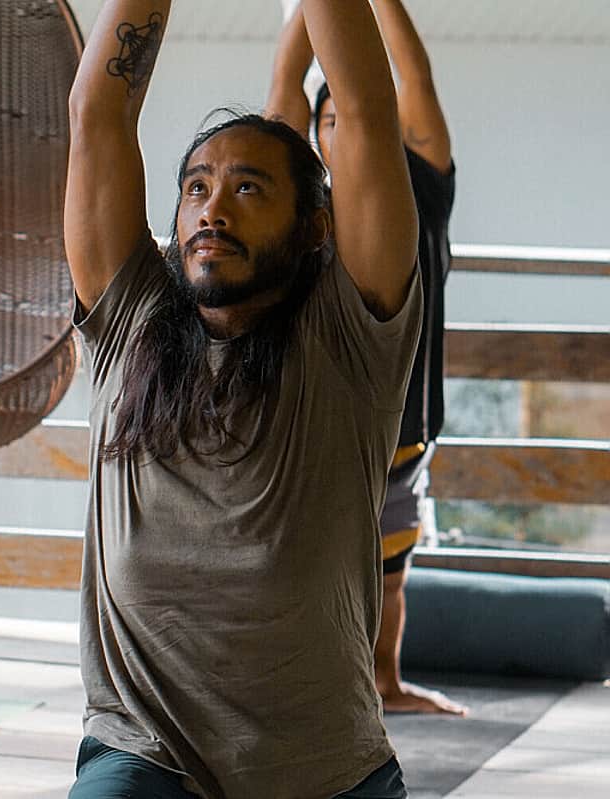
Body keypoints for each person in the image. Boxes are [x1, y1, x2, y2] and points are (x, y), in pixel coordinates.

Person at [63, 0, 422, 796]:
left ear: (316, 227)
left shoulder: (349, 338)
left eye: (249, 187)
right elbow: (97, 113)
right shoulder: (130, 323)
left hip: (325, 772)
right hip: (143, 750)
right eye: (196, 187)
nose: (212, 210)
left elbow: (364, 109)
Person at [267, 0, 466, 716]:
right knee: (301, 565)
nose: (341, 127)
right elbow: (285, 91)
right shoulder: (300, 201)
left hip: (405, 422)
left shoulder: (420, 185)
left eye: (355, 118)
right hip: (316, 421)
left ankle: (385, 683)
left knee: (390, 569)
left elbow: (411, 82)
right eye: (330, 121)